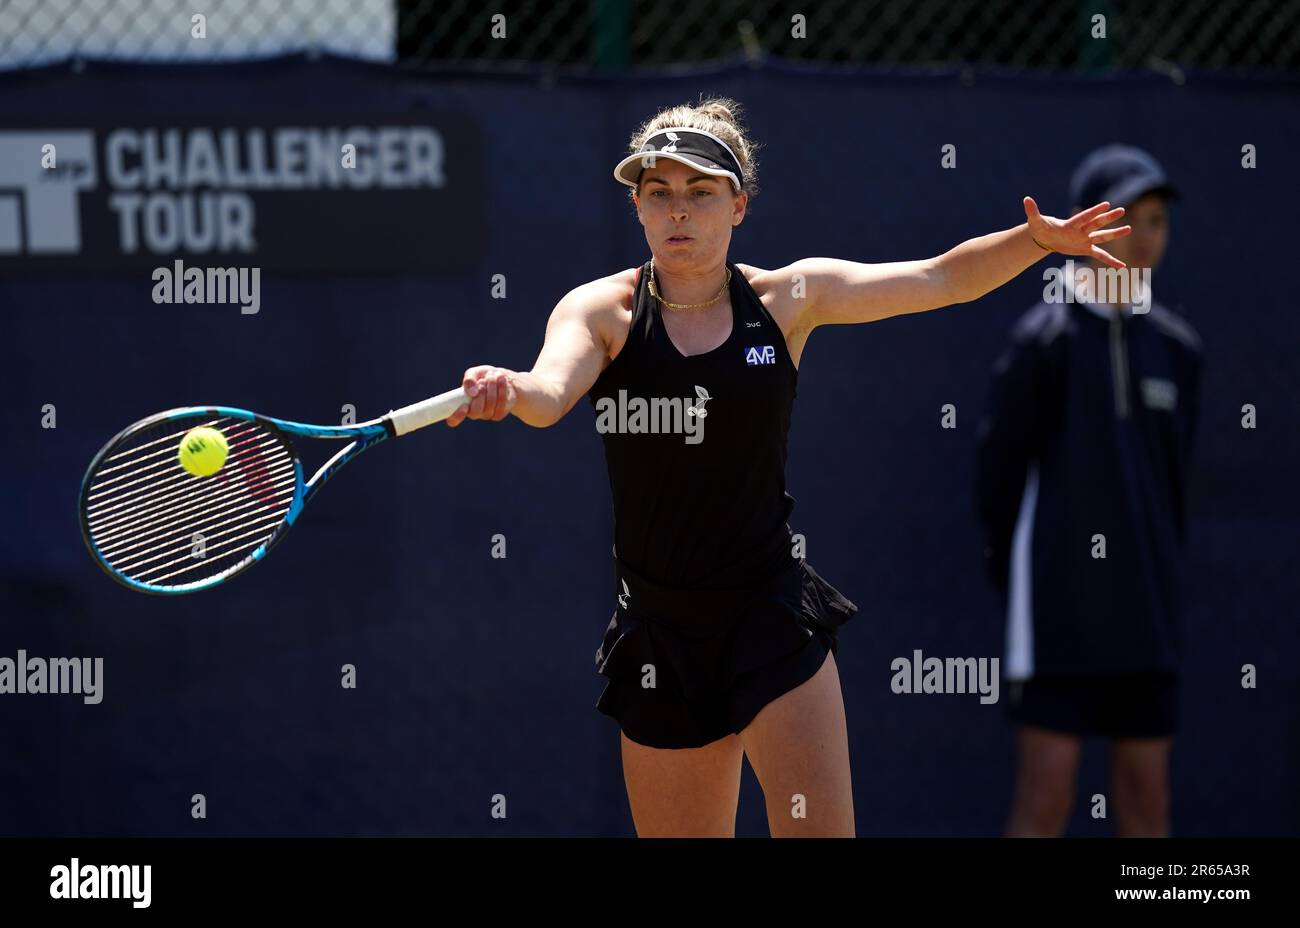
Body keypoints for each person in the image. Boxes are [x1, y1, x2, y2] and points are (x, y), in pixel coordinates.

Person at [446, 97, 1129, 837]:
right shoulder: (599, 311)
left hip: (768, 617)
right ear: (638, 207)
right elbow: (549, 394)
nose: (679, 212)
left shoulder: (788, 300)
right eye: (659, 194)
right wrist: (509, 390)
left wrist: (1034, 243)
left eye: (701, 193)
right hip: (658, 636)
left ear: (738, 206)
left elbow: (937, 279)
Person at [974, 144, 1202, 837]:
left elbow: (1173, 485)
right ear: (1085, 228)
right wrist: (1032, 583)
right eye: (1127, 216)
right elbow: (998, 483)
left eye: (1157, 219)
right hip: (1057, 620)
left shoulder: (1180, 350)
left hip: (1148, 621)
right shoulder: (1042, 344)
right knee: (1044, 802)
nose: (1145, 234)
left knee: (1147, 805)